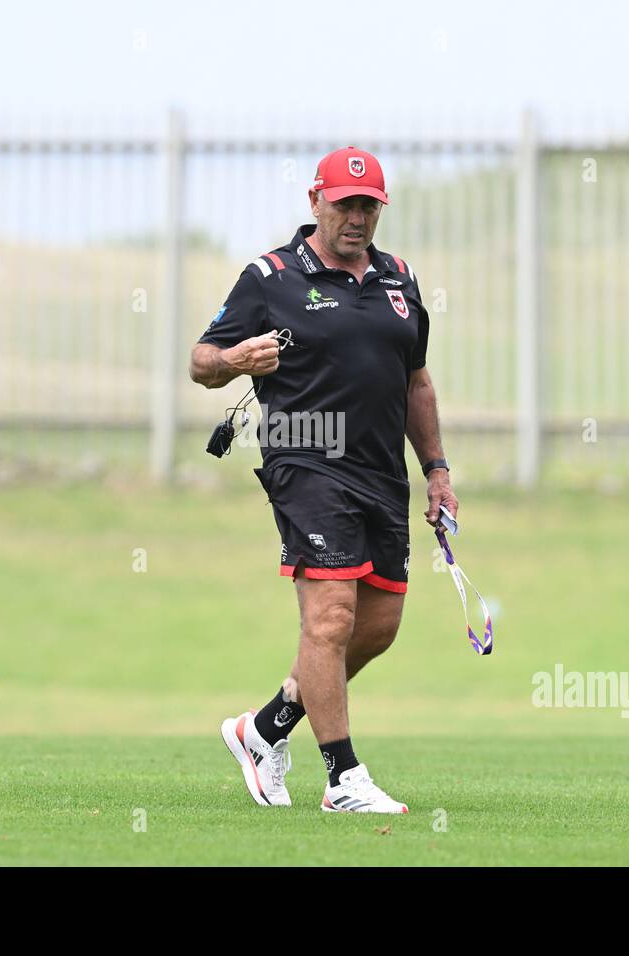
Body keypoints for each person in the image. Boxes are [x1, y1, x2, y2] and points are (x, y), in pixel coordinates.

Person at [189, 146, 456, 813]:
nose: (357, 218)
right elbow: (201, 362)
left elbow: (416, 382)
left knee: (378, 623)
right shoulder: (271, 275)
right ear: (316, 202)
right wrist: (235, 358)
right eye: (345, 204)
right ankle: (343, 779)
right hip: (303, 457)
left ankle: (265, 729)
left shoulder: (400, 280)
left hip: (380, 472)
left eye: (369, 206)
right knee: (330, 616)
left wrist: (438, 473)